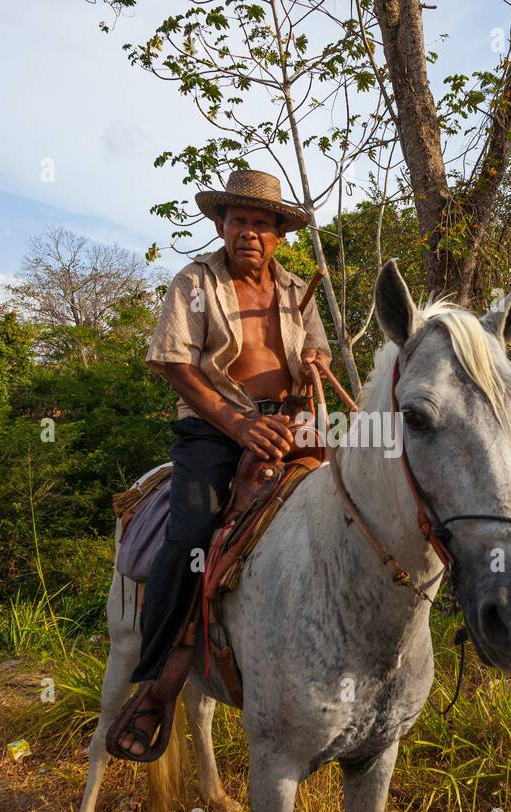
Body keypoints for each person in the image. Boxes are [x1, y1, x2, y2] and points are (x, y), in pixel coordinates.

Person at [117, 169, 332, 756]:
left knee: (352, 507)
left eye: (262, 223)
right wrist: (239, 424)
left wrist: (313, 358)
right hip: (216, 432)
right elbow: (174, 364)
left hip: (292, 428)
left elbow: (316, 346)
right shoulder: (194, 282)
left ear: (279, 234)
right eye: (240, 220)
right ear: (221, 224)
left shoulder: (295, 290)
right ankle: (156, 685)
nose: (250, 233)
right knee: (189, 535)